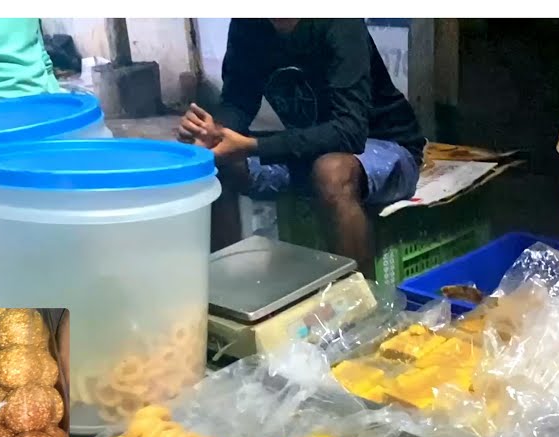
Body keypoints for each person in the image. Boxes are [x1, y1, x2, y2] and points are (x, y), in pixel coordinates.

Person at [181, 19, 426, 266]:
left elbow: (349, 132)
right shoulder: (249, 23)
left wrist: (253, 146)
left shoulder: (339, 23)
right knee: (214, 163)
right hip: (310, 147)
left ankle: (359, 300)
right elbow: (238, 102)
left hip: (384, 145)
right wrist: (213, 131)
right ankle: (225, 290)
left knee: (331, 172)